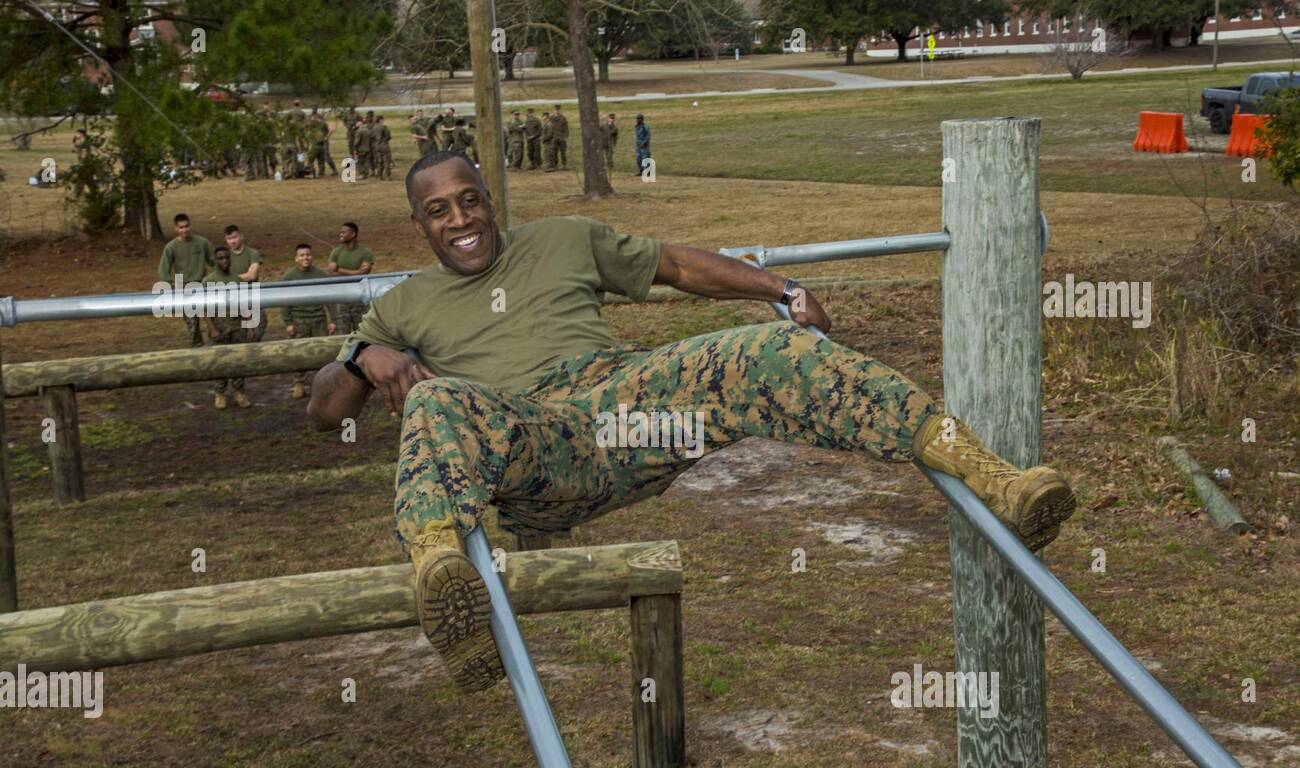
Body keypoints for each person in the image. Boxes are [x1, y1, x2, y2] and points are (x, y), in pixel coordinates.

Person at [306, 151, 1078, 694]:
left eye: (470, 199)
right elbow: (322, 413)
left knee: (767, 351)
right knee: (439, 402)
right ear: (420, 225)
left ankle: (993, 477)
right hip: (531, 450)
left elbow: (675, 265)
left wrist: (781, 290)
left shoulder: (564, 238)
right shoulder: (401, 305)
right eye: (439, 210)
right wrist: (361, 357)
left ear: (488, 199)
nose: (461, 218)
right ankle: (445, 581)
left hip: (624, 414)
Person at [279, 243, 335, 400]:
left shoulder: (321, 274)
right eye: (302, 255)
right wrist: (288, 322)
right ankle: (299, 383)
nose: (306, 258)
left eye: (308, 255)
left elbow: (331, 298)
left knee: (322, 353)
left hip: (319, 319)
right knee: (298, 352)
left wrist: (332, 320)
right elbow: (284, 301)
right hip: (299, 320)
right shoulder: (289, 276)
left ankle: (322, 385)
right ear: (296, 258)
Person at [202, 247, 255, 410]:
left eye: (226, 258)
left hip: (236, 325)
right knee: (220, 360)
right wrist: (212, 328)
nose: (224, 261)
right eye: (220, 258)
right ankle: (220, 392)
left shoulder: (237, 280)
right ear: (215, 260)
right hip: (219, 325)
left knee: (239, 358)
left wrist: (249, 325)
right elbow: (204, 308)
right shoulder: (208, 281)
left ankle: (239, 391)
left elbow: (243, 304)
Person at [157, 213, 215, 348]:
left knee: (212, 317)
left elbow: (215, 261)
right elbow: (163, 270)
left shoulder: (202, 242)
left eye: (186, 226)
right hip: (183, 287)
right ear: (176, 229)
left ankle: (214, 343)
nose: (184, 230)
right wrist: (170, 288)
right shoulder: (171, 247)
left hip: (202, 284)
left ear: (190, 225)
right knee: (192, 323)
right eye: (181, 227)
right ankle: (197, 346)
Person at [327, 221, 375, 334]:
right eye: (340, 232)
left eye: (344, 232)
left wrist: (340, 270)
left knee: (363, 331)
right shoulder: (336, 252)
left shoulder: (365, 252)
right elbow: (330, 273)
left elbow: (363, 274)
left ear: (353, 234)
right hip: (341, 299)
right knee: (342, 332)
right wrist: (355, 272)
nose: (341, 234)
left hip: (359, 299)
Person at [375, 116, 393, 180]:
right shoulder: (384, 127)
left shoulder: (374, 127)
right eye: (382, 120)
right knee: (387, 160)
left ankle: (380, 175)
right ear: (380, 120)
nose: (383, 121)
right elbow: (388, 136)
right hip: (384, 145)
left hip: (377, 145)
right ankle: (388, 176)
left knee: (380, 161)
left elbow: (371, 136)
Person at [551, 103, 569, 169]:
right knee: (554, 152)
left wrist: (566, 136)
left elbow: (566, 128)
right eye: (556, 110)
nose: (557, 111)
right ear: (554, 110)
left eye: (558, 110)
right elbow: (550, 128)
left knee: (563, 152)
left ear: (560, 110)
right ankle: (555, 165)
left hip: (561, 138)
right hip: (554, 137)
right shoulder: (552, 118)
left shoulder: (563, 118)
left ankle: (564, 165)